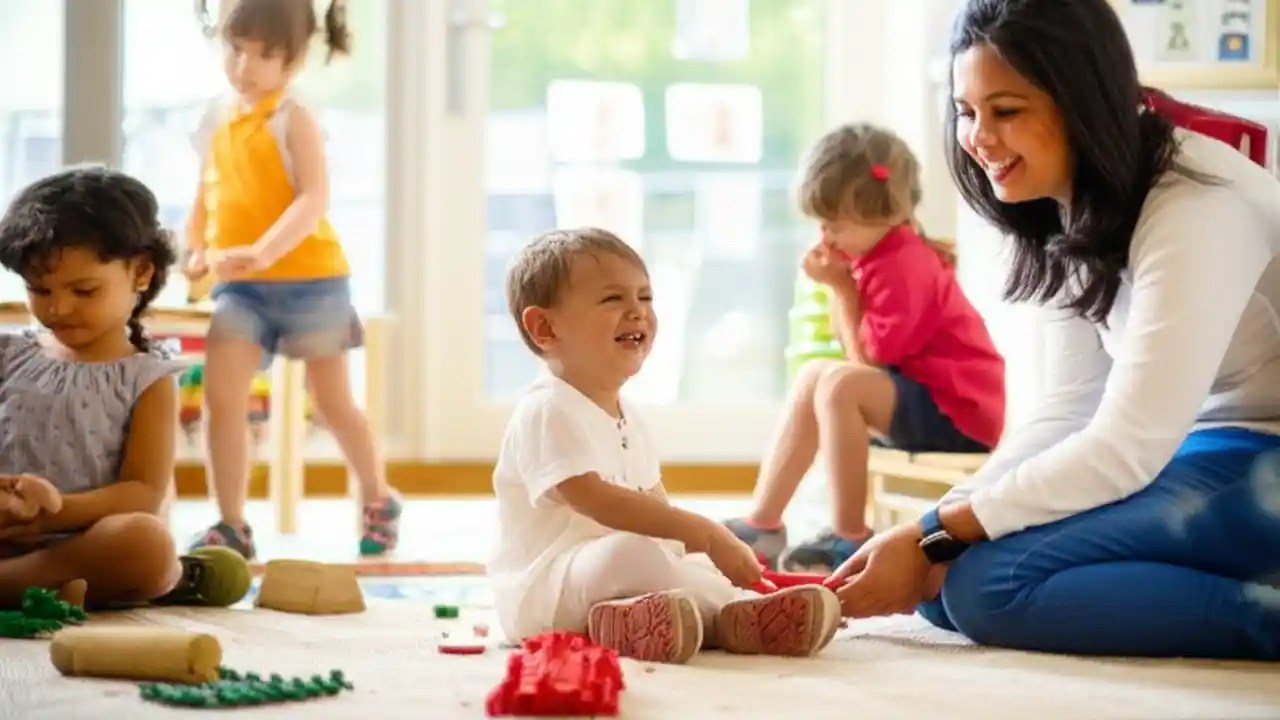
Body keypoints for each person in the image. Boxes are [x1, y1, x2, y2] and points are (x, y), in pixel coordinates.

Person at [826, 0, 1280, 661]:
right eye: (966, 110)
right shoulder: (1066, 205)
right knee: (940, 583)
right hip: (1197, 454)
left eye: (1006, 110)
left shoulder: (1195, 204)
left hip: (1256, 458)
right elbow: (1069, 409)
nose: (979, 136)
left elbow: (1128, 444)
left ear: (1082, 98)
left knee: (989, 585)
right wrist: (935, 530)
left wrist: (934, 531)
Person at [488, 227, 842, 663]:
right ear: (545, 327)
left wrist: (703, 558)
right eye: (613, 299)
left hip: (625, 573)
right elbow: (595, 499)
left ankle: (733, 615)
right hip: (547, 592)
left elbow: (654, 504)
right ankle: (699, 618)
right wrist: (708, 534)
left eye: (645, 298)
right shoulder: (547, 409)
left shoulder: (628, 416)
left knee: (681, 564)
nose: (637, 312)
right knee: (633, 554)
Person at [724, 123, 1005, 573]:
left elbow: (869, 358)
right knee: (815, 373)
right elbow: (858, 351)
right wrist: (844, 287)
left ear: (883, 213)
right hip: (921, 395)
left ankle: (850, 535)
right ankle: (764, 522)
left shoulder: (904, 263)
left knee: (840, 384)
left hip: (959, 411)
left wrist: (841, 290)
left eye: (836, 224)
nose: (825, 237)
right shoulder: (877, 255)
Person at [185, 0, 400, 560]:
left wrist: (262, 251)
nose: (245, 65)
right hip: (240, 290)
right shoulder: (213, 117)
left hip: (311, 282)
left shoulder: (293, 115)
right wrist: (196, 251)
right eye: (235, 49)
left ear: (295, 61)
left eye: (264, 55)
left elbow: (313, 196)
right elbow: (204, 196)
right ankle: (231, 523)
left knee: (330, 404)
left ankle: (378, 496)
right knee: (222, 396)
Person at [0, 166, 248, 608]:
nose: (58, 307)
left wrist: (51, 512)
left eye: (84, 290)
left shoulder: (146, 378)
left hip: (85, 542)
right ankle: (41, 588)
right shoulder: (9, 354)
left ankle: (28, 582)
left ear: (141, 273)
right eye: (39, 290)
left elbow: (142, 492)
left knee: (146, 545)